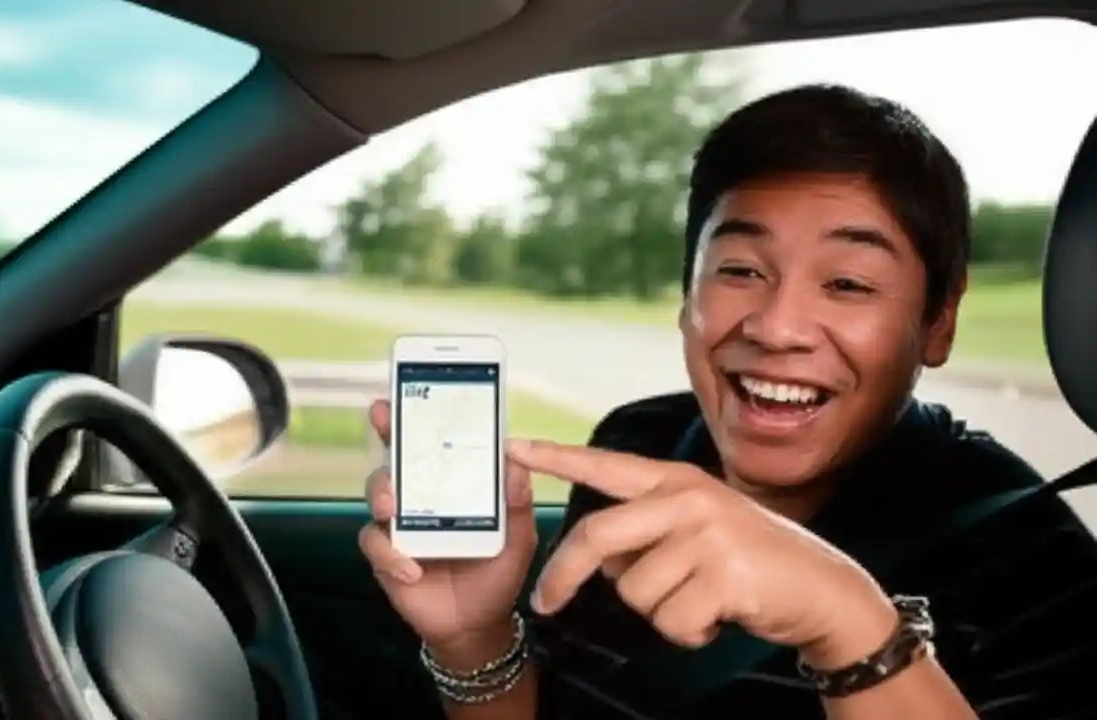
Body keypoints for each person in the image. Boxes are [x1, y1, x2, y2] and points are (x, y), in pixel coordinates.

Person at [357, 83, 1097, 719]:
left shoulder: (1029, 559)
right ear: (687, 296)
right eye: (740, 270)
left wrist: (851, 628)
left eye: (847, 284)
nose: (776, 328)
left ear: (938, 322)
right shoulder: (636, 444)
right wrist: (473, 639)